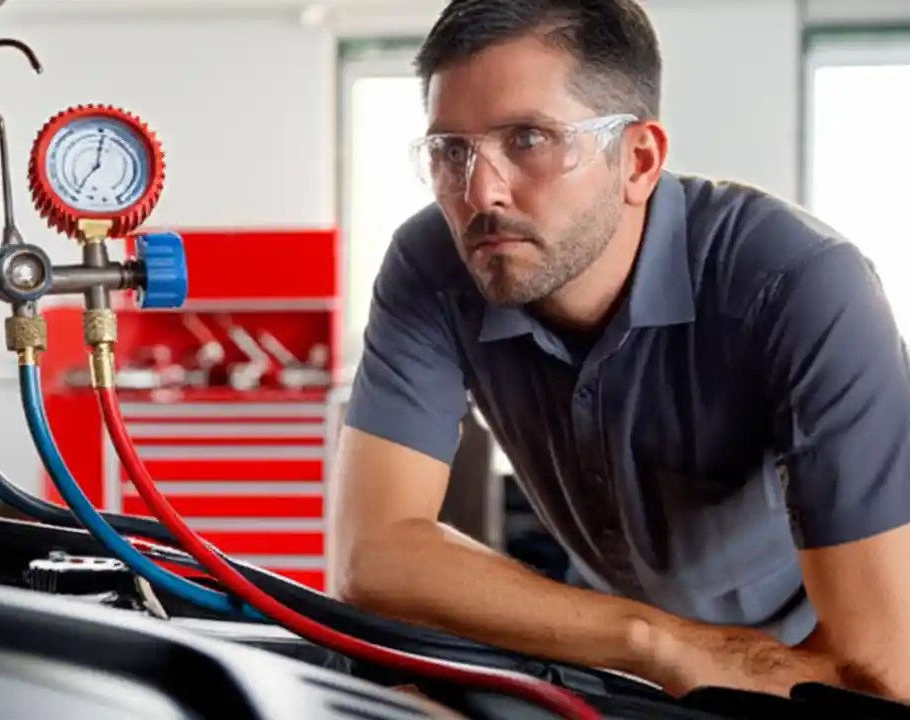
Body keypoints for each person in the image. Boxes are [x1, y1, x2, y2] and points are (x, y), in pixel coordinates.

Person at [328, 0, 910, 701]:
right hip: (615, 645)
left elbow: (882, 663)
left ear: (638, 161)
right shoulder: (433, 265)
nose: (480, 193)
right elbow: (372, 557)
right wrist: (650, 642)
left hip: (796, 665)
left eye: (529, 139)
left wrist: (694, 657)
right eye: (452, 150)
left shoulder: (801, 284)